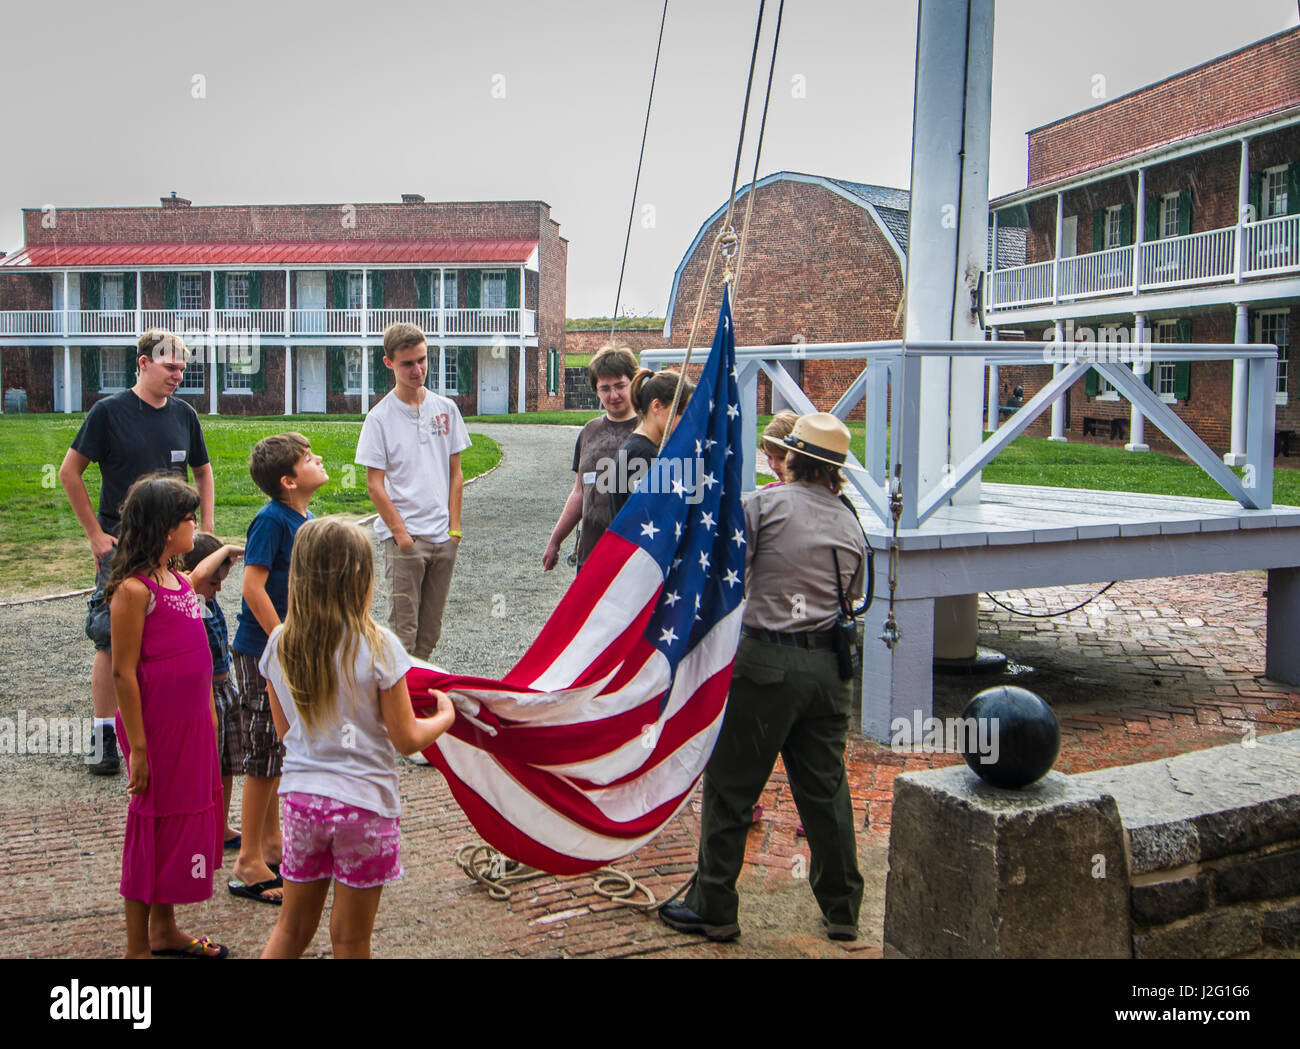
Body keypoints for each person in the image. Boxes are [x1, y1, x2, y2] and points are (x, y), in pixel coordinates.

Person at [661, 412, 867, 944]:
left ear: (792, 457)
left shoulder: (765, 505)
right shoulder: (850, 522)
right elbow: (855, 594)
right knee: (825, 791)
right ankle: (843, 908)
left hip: (767, 664)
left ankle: (714, 904)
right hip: (830, 672)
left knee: (731, 786)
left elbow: (719, 561)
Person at [259, 519, 456, 959]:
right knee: (350, 939)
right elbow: (407, 739)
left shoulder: (278, 644)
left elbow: (285, 732)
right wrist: (444, 717)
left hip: (302, 801)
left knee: (290, 930)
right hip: (365, 807)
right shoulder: (380, 645)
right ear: (361, 576)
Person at [59, 329, 214, 776]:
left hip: (175, 547)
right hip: (122, 545)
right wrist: (94, 534)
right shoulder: (108, 413)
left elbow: (203, 472)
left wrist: (204, 529)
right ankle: (104, 735)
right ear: (143, 363)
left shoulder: (184, 414)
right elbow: (71, 473)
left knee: (171, 633)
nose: (178, 376)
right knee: (112, 638)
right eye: (170, 367)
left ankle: (155, 726)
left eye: (183, 368)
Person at [107, 473, 242, 958]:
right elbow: (123, 673)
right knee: (152, 826)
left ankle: (165, 929)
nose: (196, 524)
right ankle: (135, 946)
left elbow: (197, 577)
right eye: (190, 518)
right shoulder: (133, 591)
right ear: (166, 529)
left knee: (181, 824)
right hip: (156, 730)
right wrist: (138, 749)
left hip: (192, 728)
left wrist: (225, 551)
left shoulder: (174, 579)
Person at [229, 433, 329, 906]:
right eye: (309, 459)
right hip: (261, 652)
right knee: (264, 751)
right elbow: (252, 587)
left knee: (278, 751)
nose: (319, 459)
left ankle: (270, 845)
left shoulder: (302, 517)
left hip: (284, 650)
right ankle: (247, 859)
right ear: (289, 481)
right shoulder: (271, 521)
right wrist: (280, 641)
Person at [354, 323, 470, 660]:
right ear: (388, 363)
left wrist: (455, 529)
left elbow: (456, 473)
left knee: (430, 632)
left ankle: (414, 701)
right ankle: (396, 708)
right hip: (406, 539)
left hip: (442, 536)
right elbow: (374, 484)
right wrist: (401, 534)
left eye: (422, 360)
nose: (417, 370)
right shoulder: (379, 419)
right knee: (402, 634)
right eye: (407, 364)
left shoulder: (445, 409)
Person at [542, 344, 638, 572]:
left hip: (634, 558)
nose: (613, 395)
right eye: (605, 388)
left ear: (633, 383)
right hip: (591, 554)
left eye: (620, 386)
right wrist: (555, 541)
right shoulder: (589, 432)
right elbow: (579, 493)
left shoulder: (651, 431)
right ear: (596, 391)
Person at [180, 533, 245, 850]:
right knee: (206, 764)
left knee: (228, 762)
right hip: (205, 694)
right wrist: (227, 550)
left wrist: (227, 557)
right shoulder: (187, 600)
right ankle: (200, 825)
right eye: (213, 583)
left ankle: (221, 823)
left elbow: (208, 577)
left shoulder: (209, 599)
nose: (218, 589)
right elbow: (196, 579)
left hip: (226, 688)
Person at [607, 368, 694, 519]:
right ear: (656, 406)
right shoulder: (644, 454)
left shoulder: (636, 446)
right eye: (681, 413)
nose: (686, 421)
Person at [759, 410, 799, 487]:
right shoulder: (769, 492)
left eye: (782, 458)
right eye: (769, 457)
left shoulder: (824, 495)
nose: (774, 466)